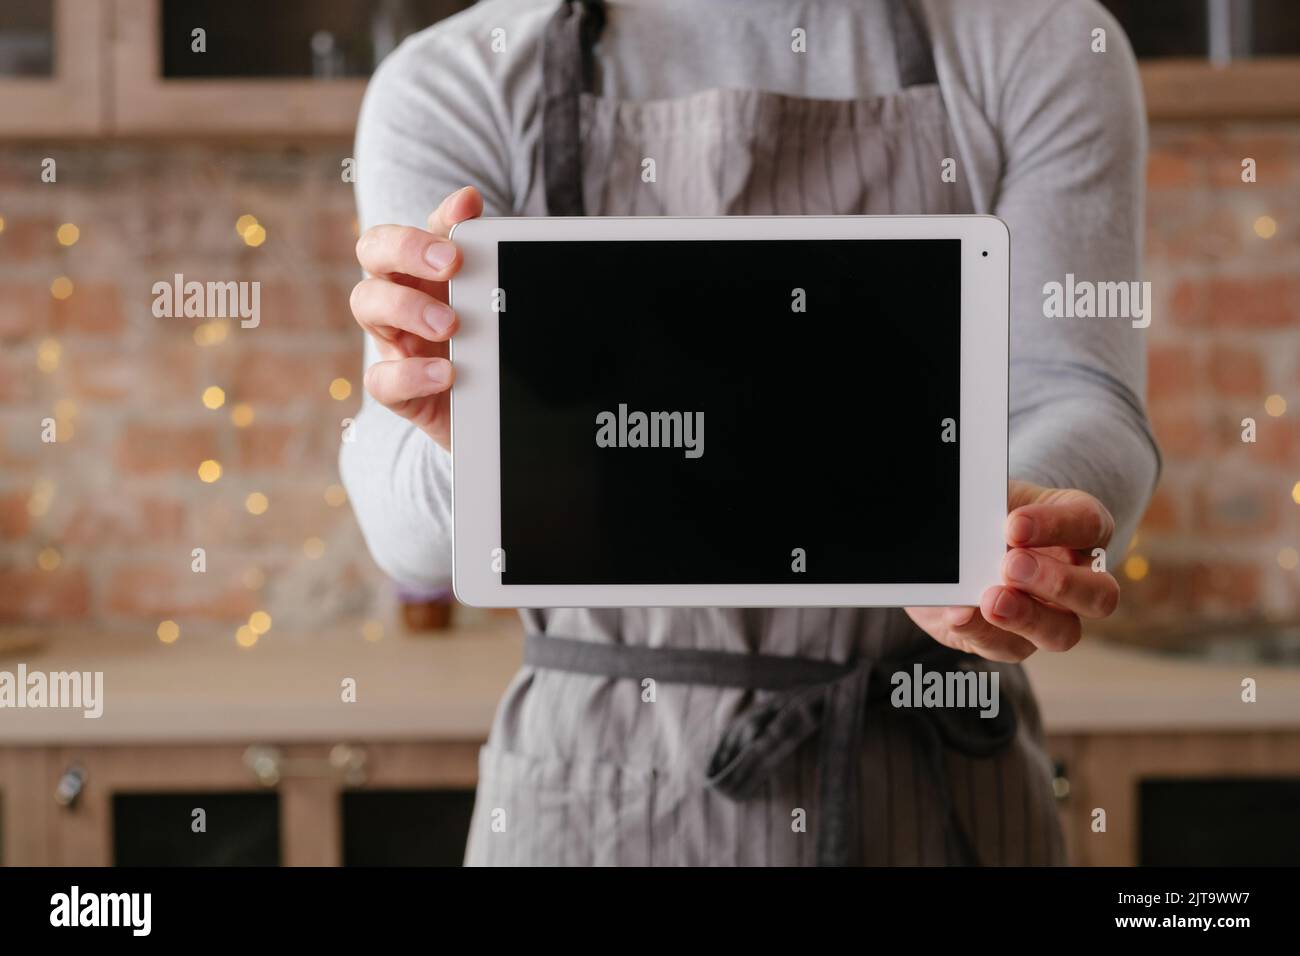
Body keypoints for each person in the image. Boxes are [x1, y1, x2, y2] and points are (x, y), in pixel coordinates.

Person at [341, 0, 1160, 865]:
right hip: (593, 795)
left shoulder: (1044, 37)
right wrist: (483, 441)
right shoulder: (454, 78)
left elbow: (1076, 390)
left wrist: (1001, 537)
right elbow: (408, 545)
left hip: (932, 777)